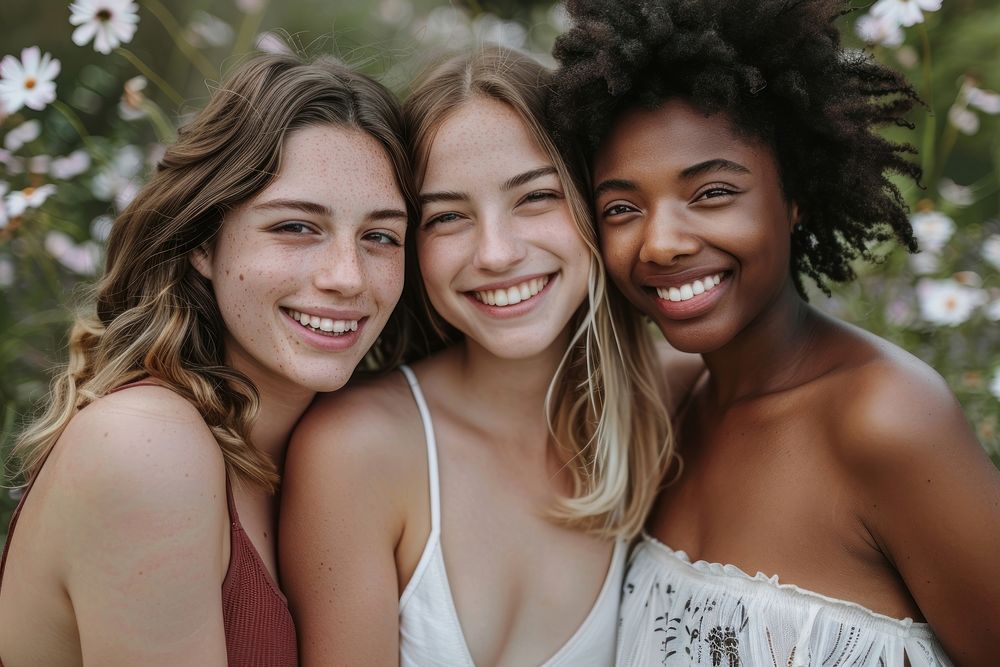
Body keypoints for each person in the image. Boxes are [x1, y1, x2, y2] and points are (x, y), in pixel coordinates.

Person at [549, 0, 1000, 664]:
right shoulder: (665, 412)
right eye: (621, 207)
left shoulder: (887, 419)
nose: (662, 242)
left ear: (794, 196)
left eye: (711, 193)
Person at [0, 51, 415, 666]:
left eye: (380, 236)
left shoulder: (334, 453)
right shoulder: (146, 445)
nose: (348, 277)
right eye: (296, 227)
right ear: (203, 243)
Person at [280, 45, 674, 666]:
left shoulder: (666, 410)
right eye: (446, 217)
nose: (495, 254)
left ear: (596, 204)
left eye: (535, 197)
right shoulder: (359, 449)